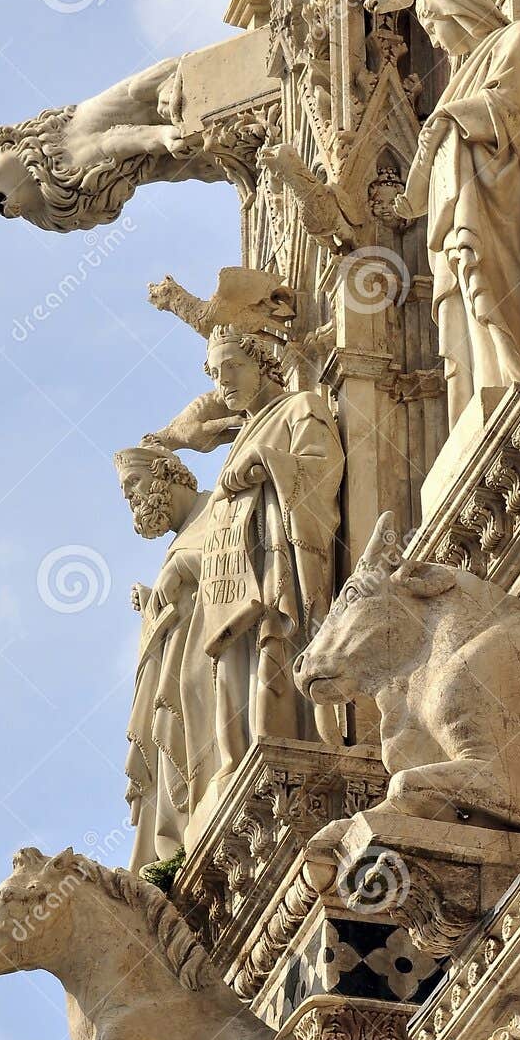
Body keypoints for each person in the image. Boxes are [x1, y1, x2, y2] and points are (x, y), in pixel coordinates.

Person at [186, 325, 344, 816]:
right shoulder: (238, 439)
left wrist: (265, 460)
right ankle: (249, 749)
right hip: (238, 577)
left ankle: (288, 730)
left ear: (263, 362)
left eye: (231, 366)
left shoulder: (301, 408)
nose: (222, 383)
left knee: (277, 638)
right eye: (214, 374)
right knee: (229, 664)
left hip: (282, 560)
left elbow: (323, 467)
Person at [394, 0, 520, 424]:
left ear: (458, 10)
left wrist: (448, 120)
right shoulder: (459, 79)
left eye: (434, 28)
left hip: (503, 207)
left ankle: (518, 371)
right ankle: (482, 395)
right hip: (468, 212)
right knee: (465, 298)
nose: (435, 42)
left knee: (498, 287)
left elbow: (512, 107)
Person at [115, 443, 212, 870]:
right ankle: (173, 845)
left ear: (167, 473)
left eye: (133, 484)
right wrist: (155, 600)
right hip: (183, 653)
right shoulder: (178, 539)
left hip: (210, 654)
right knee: (164, 728)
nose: (132, 499)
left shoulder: (216, 506)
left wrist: (184, 568)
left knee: (180, 707)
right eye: (126, 494)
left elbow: (244, 554)